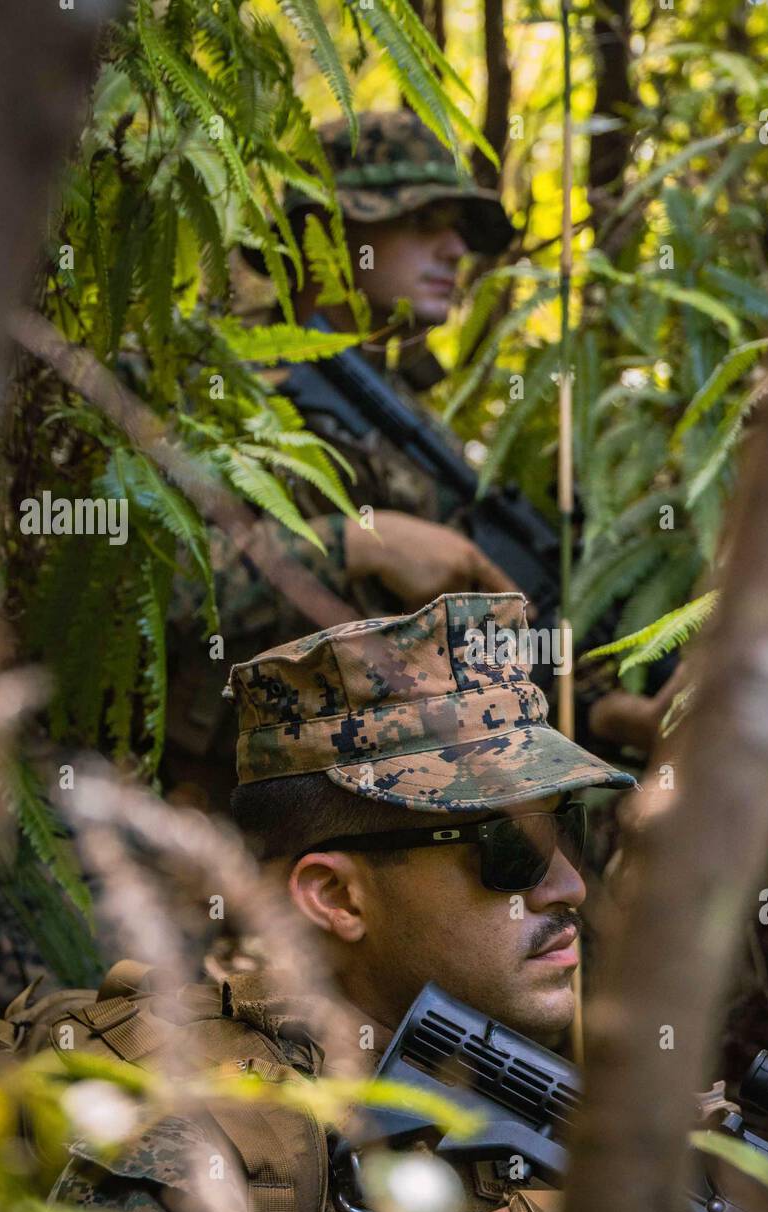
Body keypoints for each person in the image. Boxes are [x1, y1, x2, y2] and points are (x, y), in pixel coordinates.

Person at [44, 592, 640, 1212]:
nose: (567, 885)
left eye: (563, 828)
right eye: (511, 847)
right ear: (335, 896)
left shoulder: (510, 1084)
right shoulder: (177, 1126)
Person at [165, 110, 522, 814]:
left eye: (461, 229)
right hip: (210, 817)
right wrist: (353, 544)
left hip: (389, 813)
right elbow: (137, 590)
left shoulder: (420, 428)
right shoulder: (205, 381)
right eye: (424, 223)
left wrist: (605, 709)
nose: (455, 250)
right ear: (323, 230)